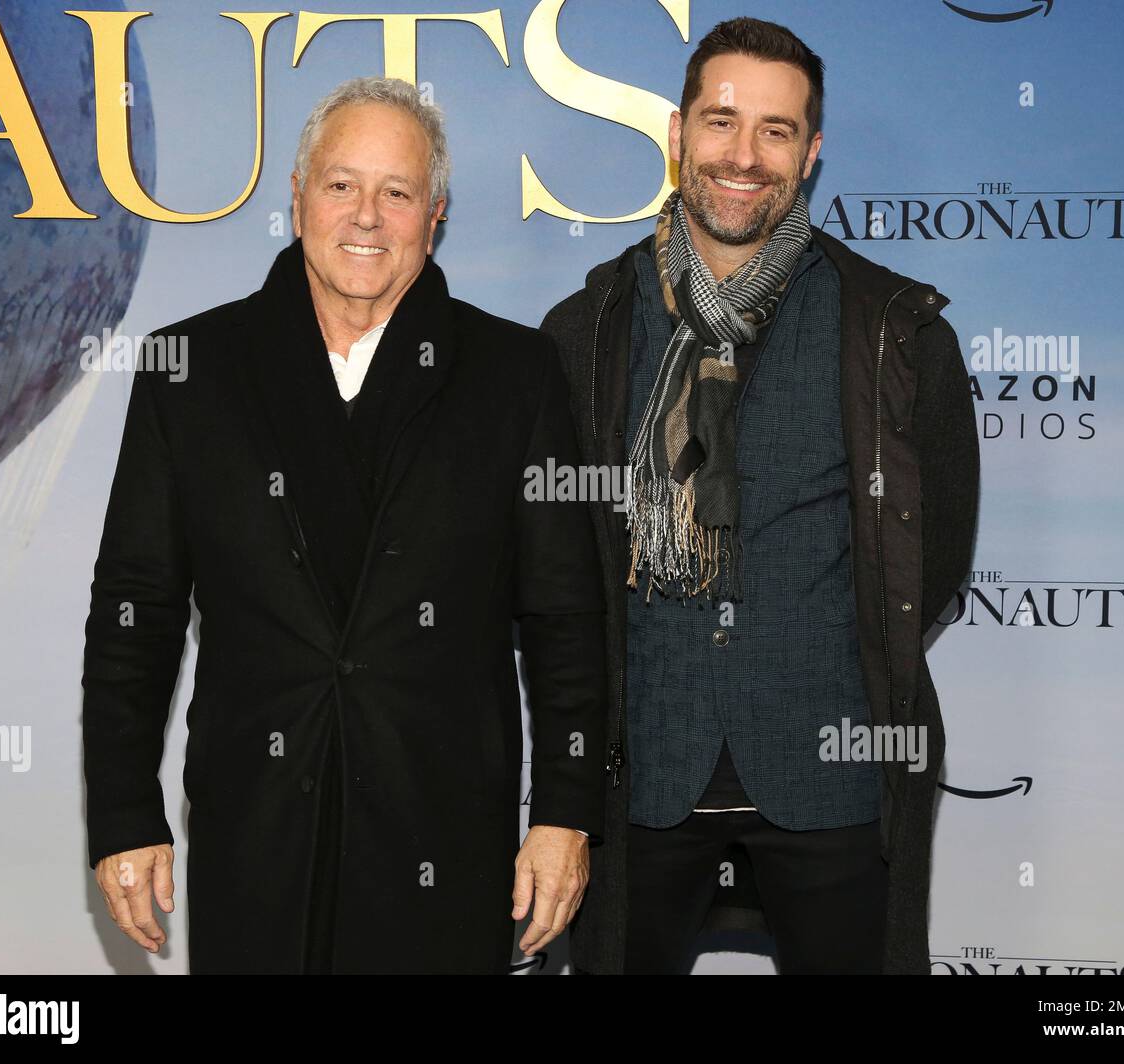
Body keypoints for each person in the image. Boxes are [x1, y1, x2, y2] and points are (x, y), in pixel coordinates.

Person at [83, 76, 605, 974]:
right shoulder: (190, 370)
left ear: (433, 216)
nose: (367, 217)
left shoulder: (515, 376)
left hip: (442, 833)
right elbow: (137, 608)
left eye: (396, 193)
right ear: (297, 198)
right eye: (341, 185)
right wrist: (125, 809)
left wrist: (563, 812)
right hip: (259, 831)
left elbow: (566, 622)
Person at [540, 17, 979, 974]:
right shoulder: (589, 330)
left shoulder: (896, 333)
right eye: (721, 122)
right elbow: (560, 567)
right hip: (642, 775)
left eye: (776, 131)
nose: (744, 155)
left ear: (811, 153)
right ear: (677, 135)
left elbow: (935, 552)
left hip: (835, 775)